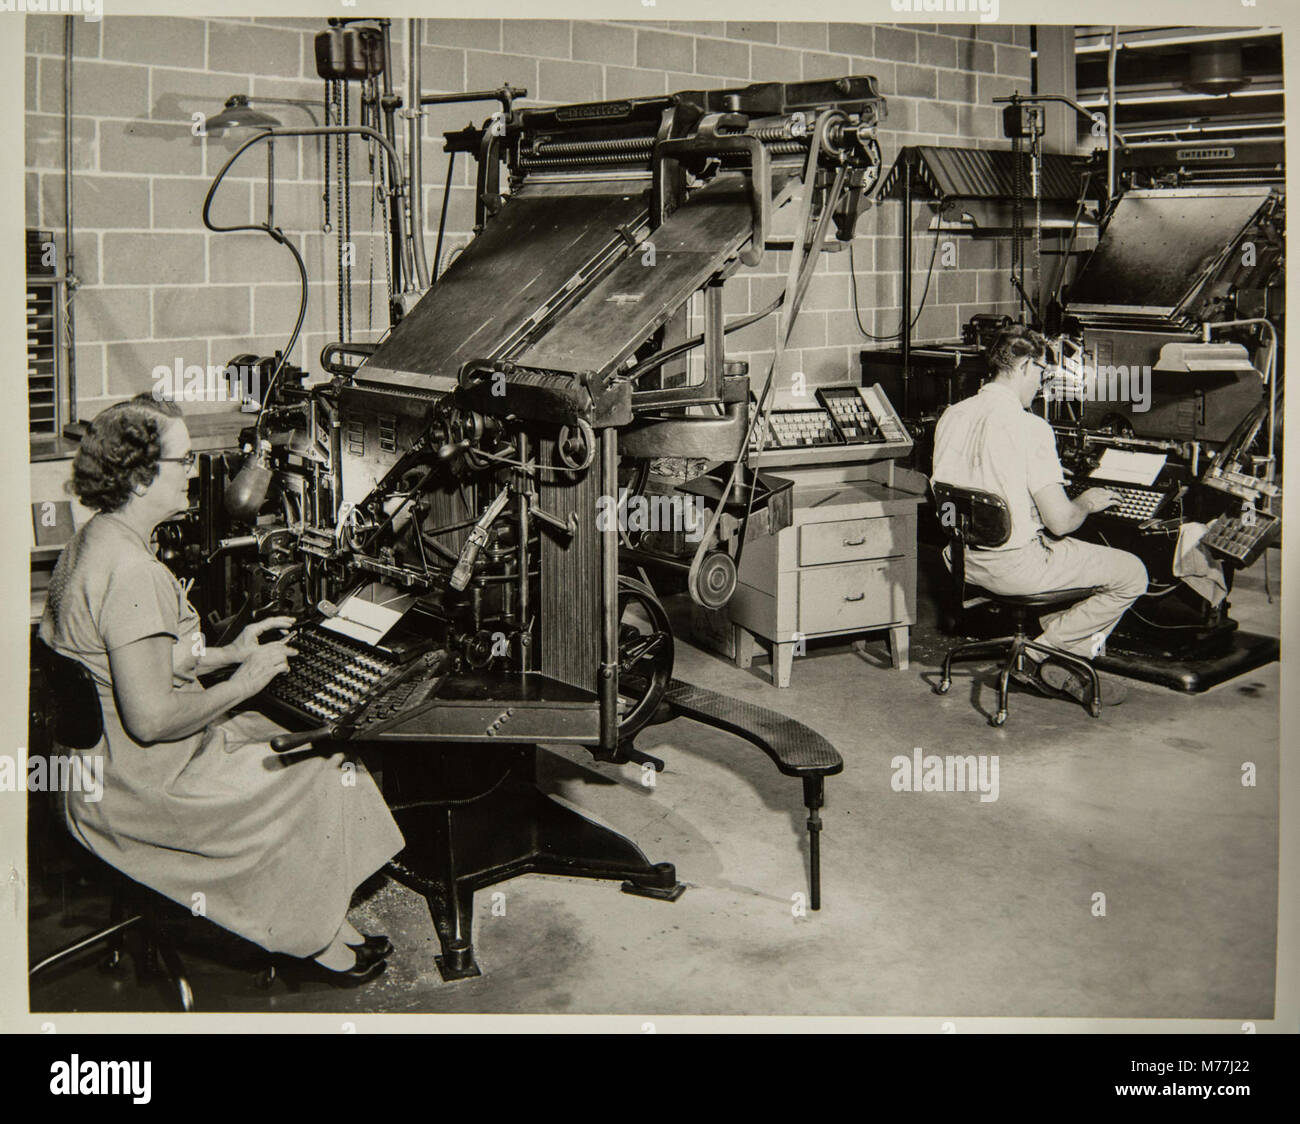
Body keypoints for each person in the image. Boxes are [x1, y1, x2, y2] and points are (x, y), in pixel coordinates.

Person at [39, 393, 404, 984]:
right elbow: (152, 720)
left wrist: (228, 651)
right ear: (138, 477)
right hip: (138, 789)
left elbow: (136, 660)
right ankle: (308, 939)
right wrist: (246, 680)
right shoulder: (133, 574)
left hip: (97, 767)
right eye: (183, 462)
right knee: (321, 763)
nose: (194, 472)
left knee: (289, 740)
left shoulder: (95, 540)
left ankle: (322, 916)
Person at [930, 325, 1148, 705]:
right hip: (1015, 568)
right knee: (1132, 573)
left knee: (1065, 552)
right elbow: (1061, 522)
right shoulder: (1030, 427)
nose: (1042, 386)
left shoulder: (953, 414)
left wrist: (1029, 490)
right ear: (1026, 366)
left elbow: (968, 488)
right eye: (1043, 375)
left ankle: (1058, 659)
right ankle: (1038, 656)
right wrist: (1087, 502)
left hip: (962, 560)